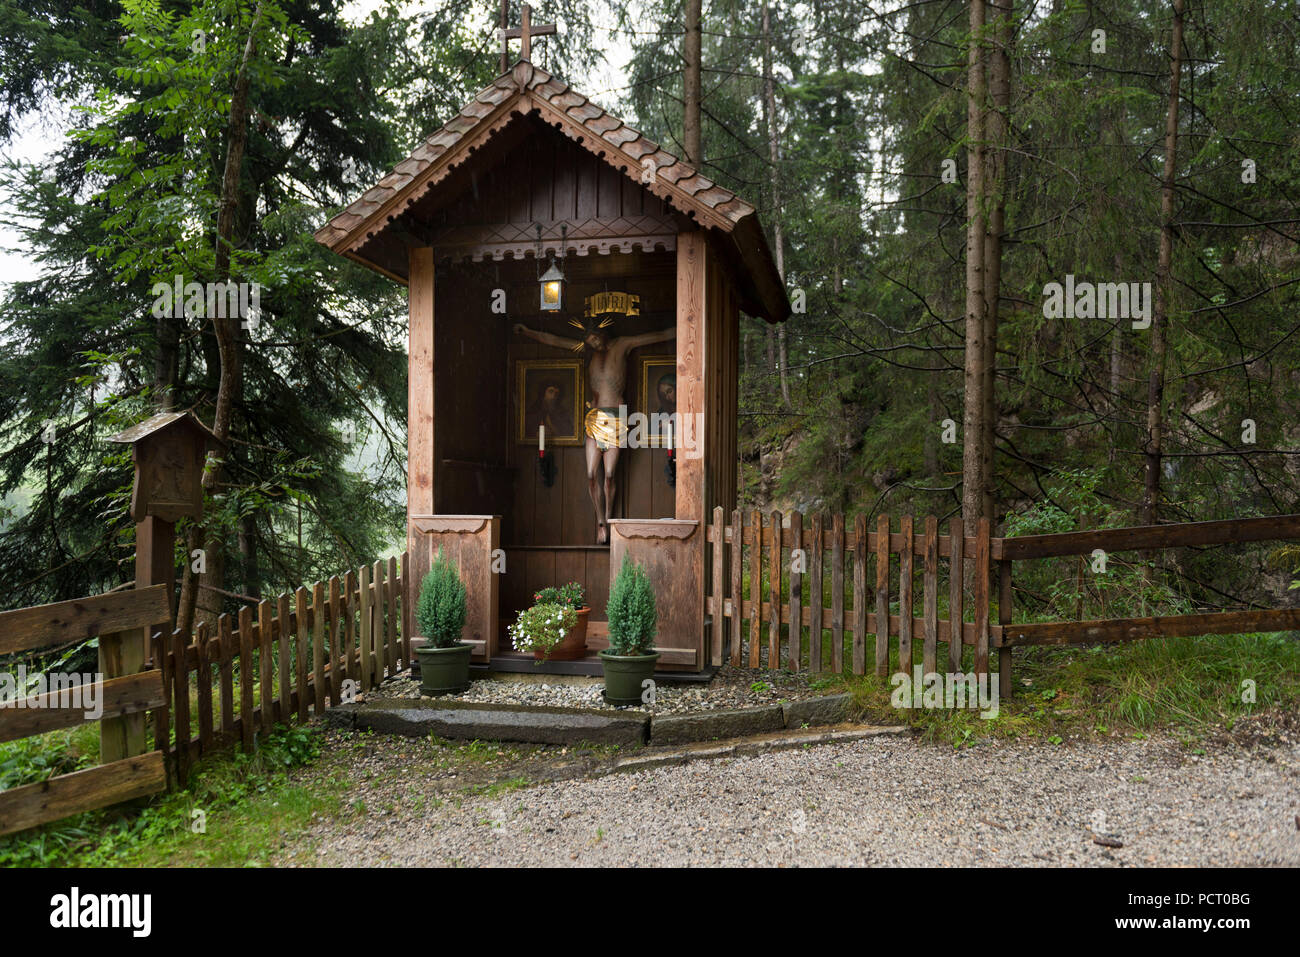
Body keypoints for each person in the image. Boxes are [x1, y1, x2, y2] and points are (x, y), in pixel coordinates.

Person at [513, 316, 675, 543]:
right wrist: (527, 331)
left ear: (603, 334)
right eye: (590, 342)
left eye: (596, 340)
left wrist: (687, 325)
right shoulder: (588, 351)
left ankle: (608, 518)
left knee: (609, 475)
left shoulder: (622, 344)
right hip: (595, 417)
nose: (595, 345)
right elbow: (555, 340)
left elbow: (656, 336)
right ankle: (600, 521)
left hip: (616, 417)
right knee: (590, 475)